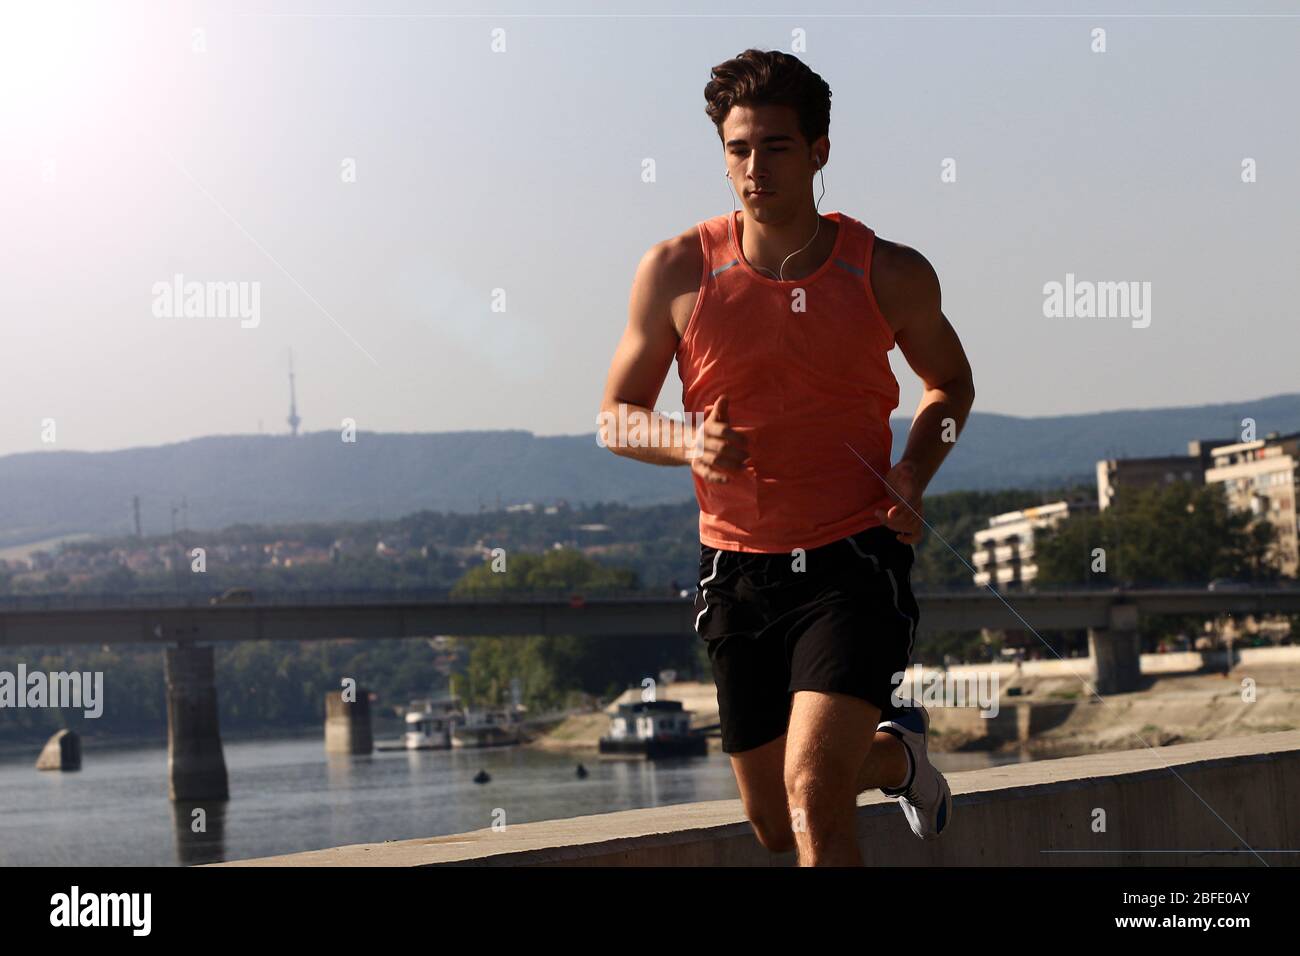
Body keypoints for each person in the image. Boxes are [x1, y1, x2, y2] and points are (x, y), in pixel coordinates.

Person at [598, 49, 975, 865]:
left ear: (819, 151)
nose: (753, 168)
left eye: (774, 146)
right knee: (775, 823)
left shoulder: (887, 272)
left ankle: (872, 758)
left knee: (813, 801)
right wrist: (686, 441)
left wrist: (915, 470)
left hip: (853, 563)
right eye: (738, 149)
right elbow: (616, 420)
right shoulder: (675, 270)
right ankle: (897, 757)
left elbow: (950, 386)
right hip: (737, 573)